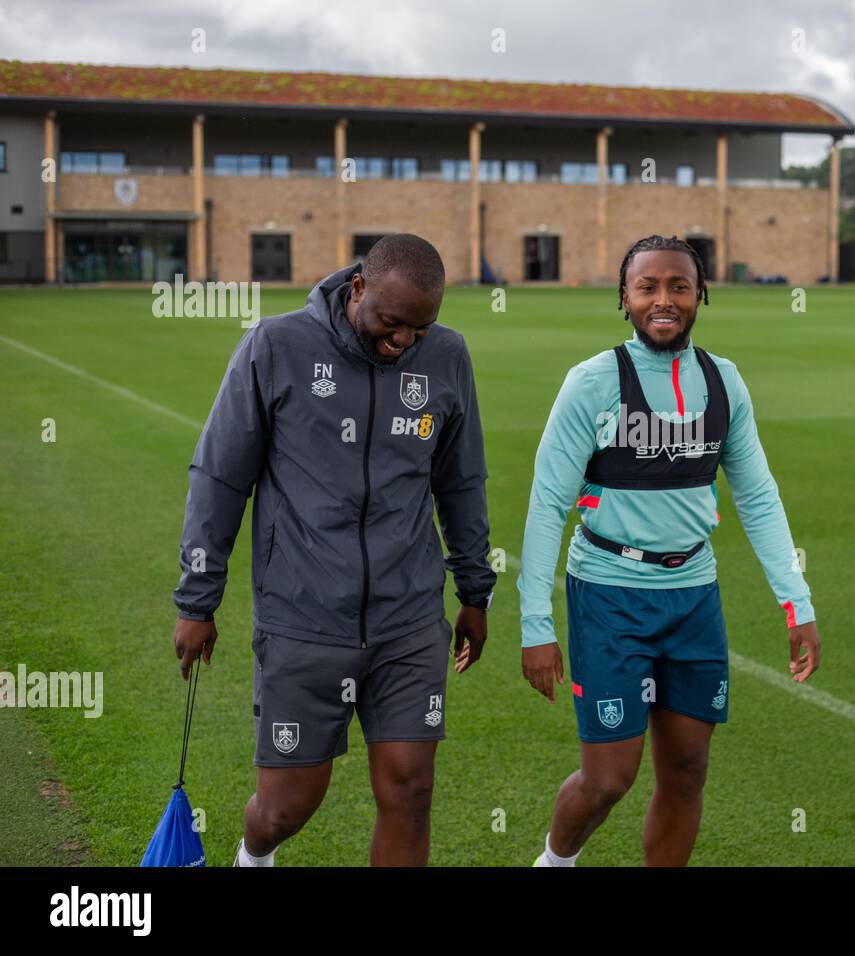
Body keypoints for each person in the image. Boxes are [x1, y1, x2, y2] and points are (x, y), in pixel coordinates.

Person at [170, 234, 495, 867]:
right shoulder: (276, 346)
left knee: (410, 788)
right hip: (304, 616)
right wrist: (197, 600)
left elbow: (460, 482)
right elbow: (220, 477)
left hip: (408, 619)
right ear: (358, 289)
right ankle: (253, 856)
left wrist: (474, 591)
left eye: (419, 328)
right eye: (391, 322)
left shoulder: (448, 356)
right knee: (286, 807)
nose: (402, 340)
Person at [518, 234, 821, 866]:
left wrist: (798, 604)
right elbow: (547, 504)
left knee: (686, 772)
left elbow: (758, 496)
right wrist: (535, 625)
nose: (664, 300)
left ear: (700, 295)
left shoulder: (723, 380)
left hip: (692, 597)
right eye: (647, 287)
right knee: (608, 779)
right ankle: (554, 861)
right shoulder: (592, 382)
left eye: (679, 286)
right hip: (608, 593)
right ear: (623, 298)